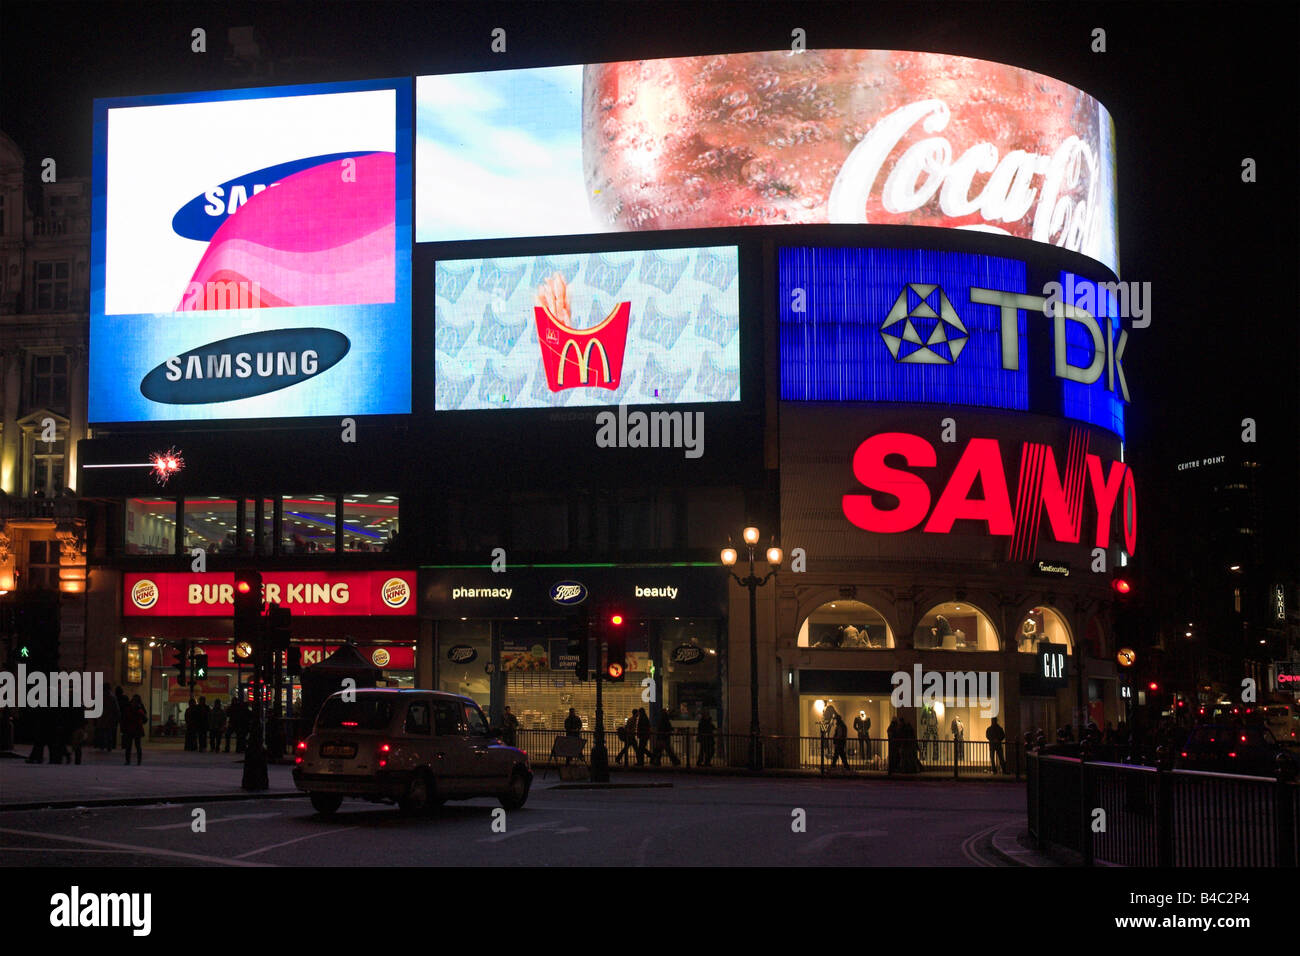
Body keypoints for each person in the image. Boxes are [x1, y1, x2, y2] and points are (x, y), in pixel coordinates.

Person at [121, 694, 147, 765]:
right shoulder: (140, 708)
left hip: (131, 729)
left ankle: (128, 761)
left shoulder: (129, 708)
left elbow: (124, 718)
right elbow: (145, 719)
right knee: (137, 746)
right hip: (136, 729)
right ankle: (138, 761)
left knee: (129, 746)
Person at [96, 687, 120, 751]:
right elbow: (116, 708)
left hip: (102, 717)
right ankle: (109, 746)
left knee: (102, 733)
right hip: (110, 718)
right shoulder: (112, 697)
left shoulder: (100, 697)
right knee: (109, 733)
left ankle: (102, 746)